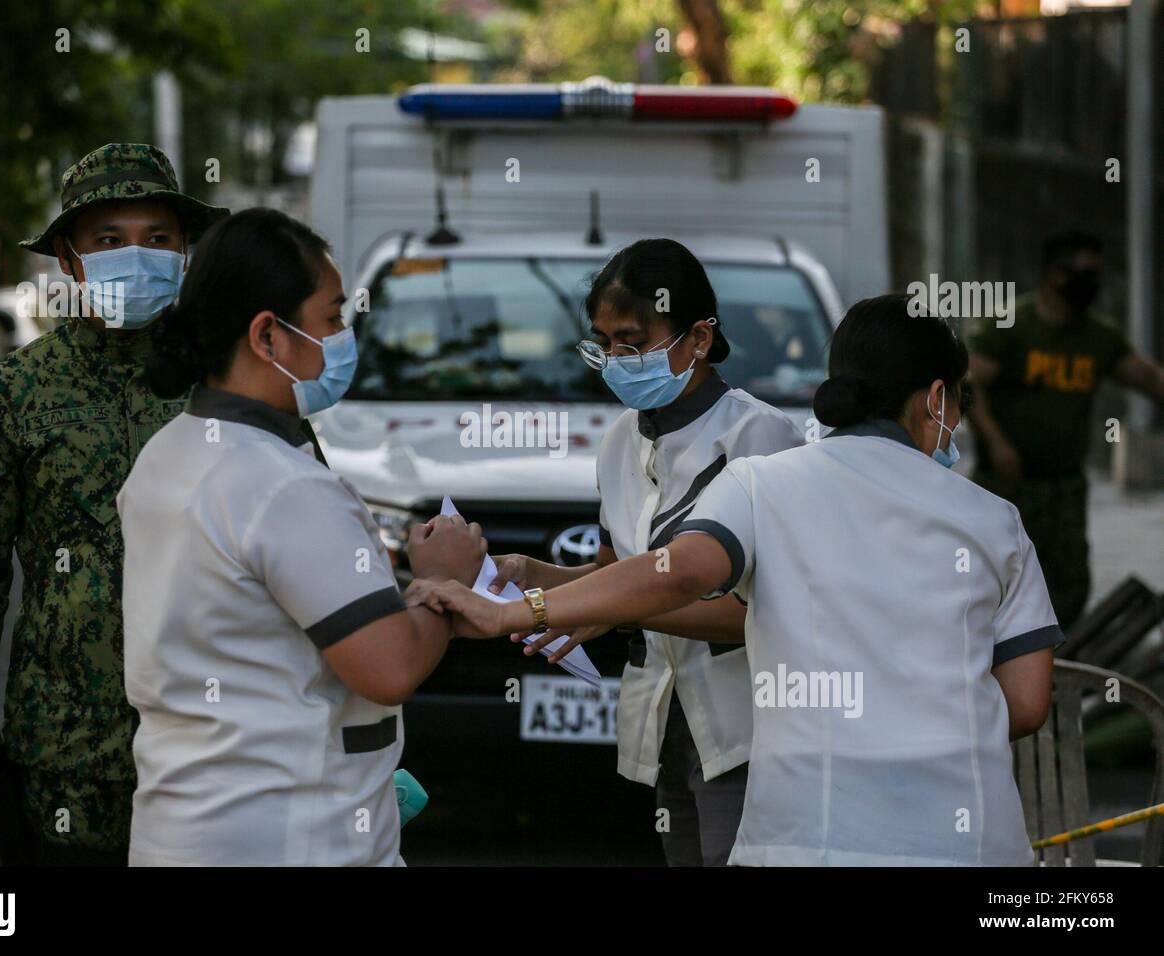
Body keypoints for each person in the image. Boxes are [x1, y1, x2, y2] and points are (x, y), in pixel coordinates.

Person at [414, 294, 1061, 866]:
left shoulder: (762, 485)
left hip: (806, 838)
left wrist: (514, 611)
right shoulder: (994, 521)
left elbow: (680, 571)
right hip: (968, 842)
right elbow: (1026, 705)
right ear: (937, 397)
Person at [119, 208, 487, 866]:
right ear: (268, 337)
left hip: (183, 828)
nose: (344, 338)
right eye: (332, 318)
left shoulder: (168, 453)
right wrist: (445, 579)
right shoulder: (282, 485)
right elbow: (389, 666)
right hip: (290, 835)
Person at [0, 143, 229, 865]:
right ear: (68, 258)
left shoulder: (233, 382)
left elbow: (307, 561)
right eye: (109, 240)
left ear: (186, 249)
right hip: (62, 763)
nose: (138, 256)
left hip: (220, 752)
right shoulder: (12, 395)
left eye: (157, 238)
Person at [477, 239, 800, 866]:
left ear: (699, 340)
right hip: (664, 722)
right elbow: (612, 575)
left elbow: (758, 610)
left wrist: (622, 606)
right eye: (604, 344)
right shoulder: (619, 442)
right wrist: (529, 573)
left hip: (748, 729)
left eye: (633, 342)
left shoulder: (760, 436)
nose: (616, 361)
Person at [969, 231, 1164, 629]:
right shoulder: (1011, 326)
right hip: (1006, 486)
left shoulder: (1096, 336)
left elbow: (1147, 377)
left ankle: (1056, 674)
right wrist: (997, 443)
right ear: (1055, 273)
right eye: (1083, 273)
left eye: (1096, 273)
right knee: (994, 583)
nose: (1091, 283)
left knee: (1067, 588)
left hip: (1064, 488)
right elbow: (968, 386)